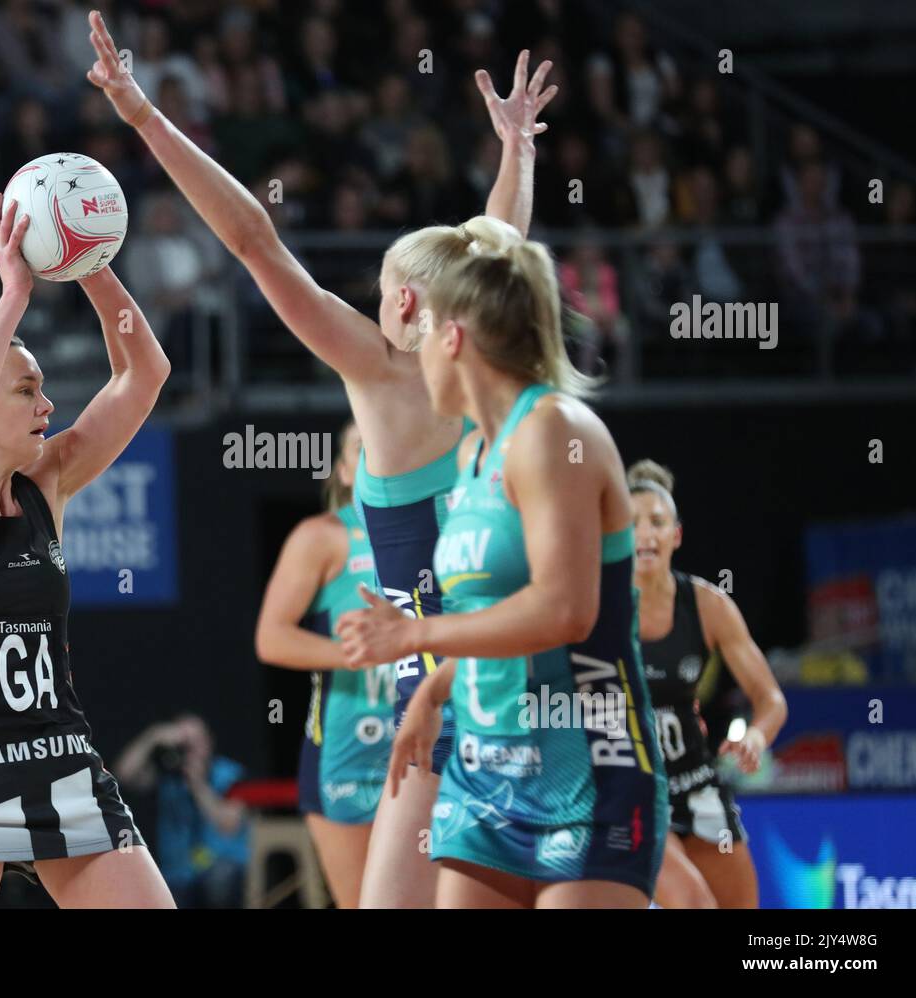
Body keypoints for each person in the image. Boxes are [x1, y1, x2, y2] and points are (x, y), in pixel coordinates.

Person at [85, 8, 555, 908]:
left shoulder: (386, 374)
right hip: (468, 695)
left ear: (414, 307)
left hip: (465, 690)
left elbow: (255, 241)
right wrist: (518, 156)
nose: (370, 302)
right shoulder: (471, 369)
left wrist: (144, 118)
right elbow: (502, 246)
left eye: (382, 290)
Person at [337, 223, 667, 908]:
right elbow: (496, 620)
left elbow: (565, 610)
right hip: (486, 777)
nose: (413, 360)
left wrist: (417, 637)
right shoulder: (475, 455)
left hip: (588, 770)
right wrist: (430, 693)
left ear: (452, 339)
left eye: (424, 340)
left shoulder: (553, 431)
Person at [0, 192, 173, 908]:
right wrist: (15, 291)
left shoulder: (49, 485)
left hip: (63, 769)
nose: (48, 405)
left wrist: (91, 260)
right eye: (27, 389)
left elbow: (144, 376)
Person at [628, 459, 787, 908]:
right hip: (632, 786)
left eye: (657, 523)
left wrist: (756, 736)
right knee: (693, 903)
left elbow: (771, 698)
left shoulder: (708, 605)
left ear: (675, 535)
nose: (646, 534)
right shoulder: (597, 608)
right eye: (632, 523)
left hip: (696, 786)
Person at [255, 420, 396, 907]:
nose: (376, 453)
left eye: (384, 442)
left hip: (424, 751)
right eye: (362, 447)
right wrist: (355, 652)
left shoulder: (433, 531)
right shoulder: (324, 536)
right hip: (347, 756)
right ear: (344, 469)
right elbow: (271, 638)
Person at [114, 714, 249, 908]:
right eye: (185, 744)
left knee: (218, 882)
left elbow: (229, 825)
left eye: (196, 742)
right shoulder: (168, 775)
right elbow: (124, 774)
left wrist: (198, 784)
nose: (190, 750)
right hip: (178, 874)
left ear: (209, 741)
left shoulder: (229, 773)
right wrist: (152, 737)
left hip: (221, 869)